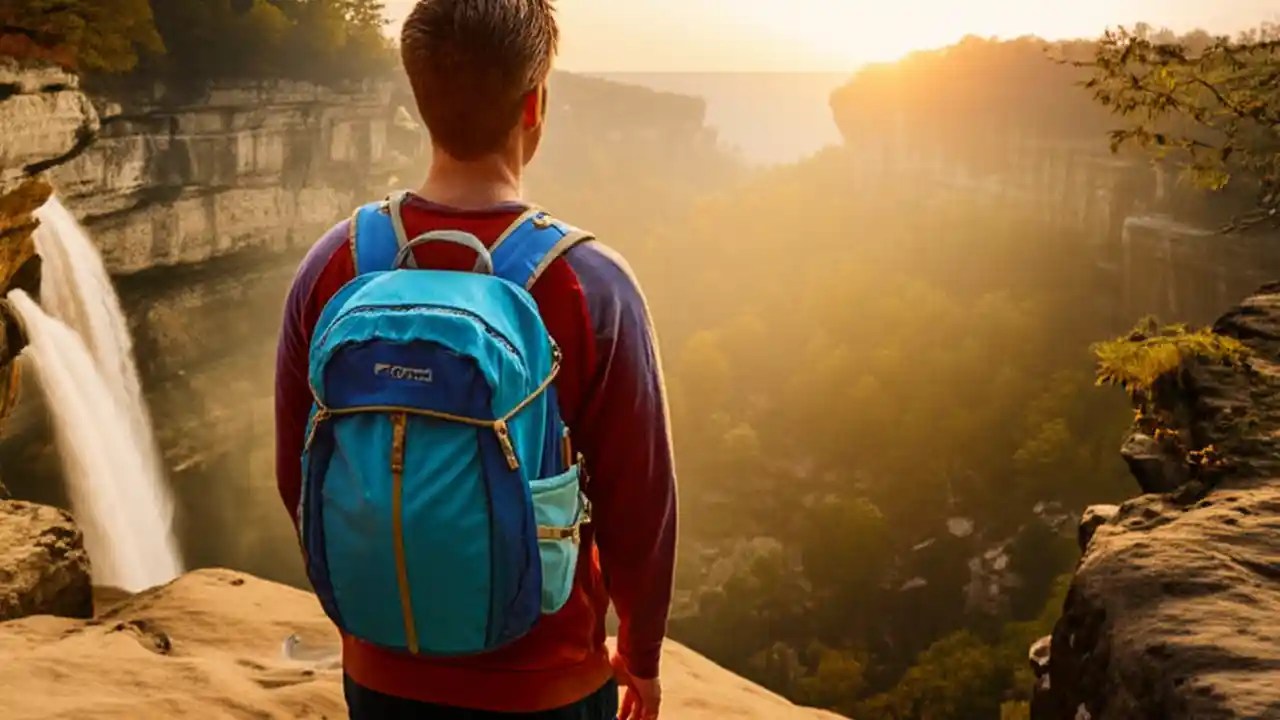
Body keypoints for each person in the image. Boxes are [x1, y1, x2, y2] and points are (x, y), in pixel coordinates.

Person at [272, 1, 677, 719]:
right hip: (545, 683)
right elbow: (639, 507)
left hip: (380, 675)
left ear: (421, 99)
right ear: (534, 104)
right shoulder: (590, 283)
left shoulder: (334, 264)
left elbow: (298, 470)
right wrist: (638, 658)